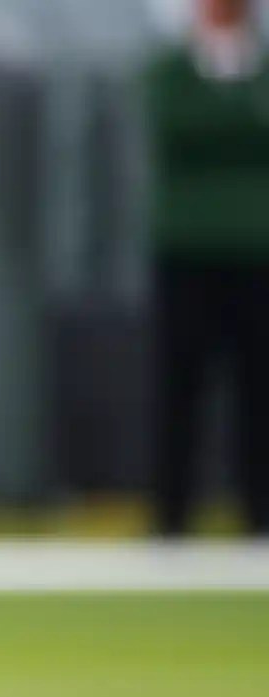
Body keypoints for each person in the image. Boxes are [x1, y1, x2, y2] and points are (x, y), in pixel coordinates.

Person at [144, 0, 269, 536]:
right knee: (179, 384)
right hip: (186, 253)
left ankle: (258, 511)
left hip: (256, 254)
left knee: (258, 387)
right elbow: (178, 125)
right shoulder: (171, 69)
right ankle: (172, 516)